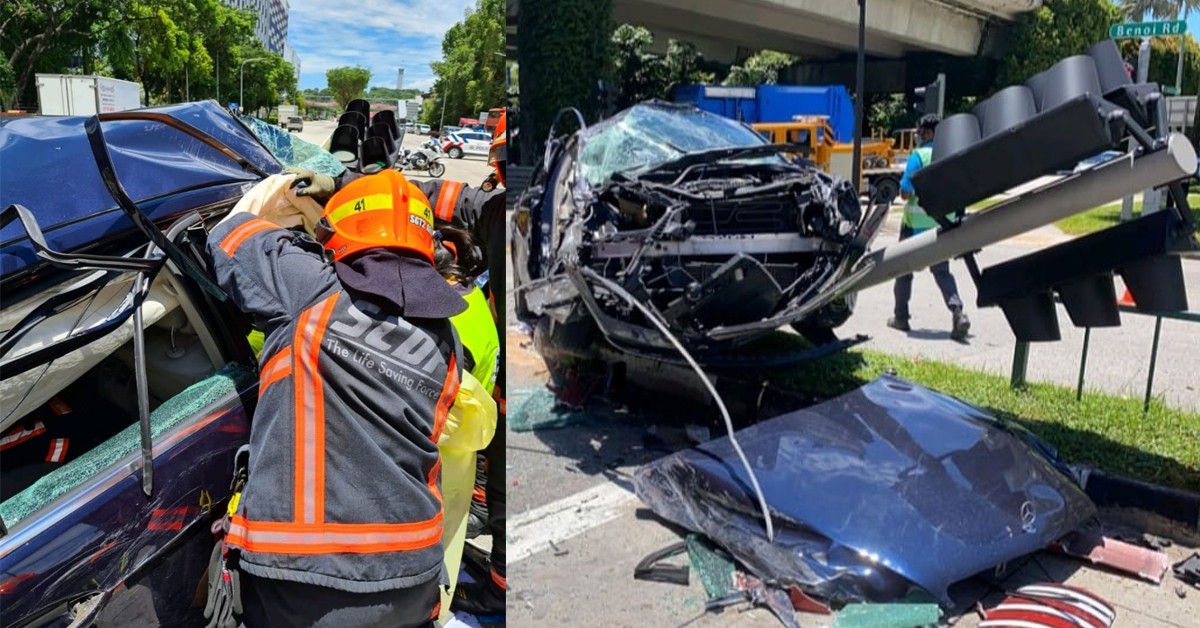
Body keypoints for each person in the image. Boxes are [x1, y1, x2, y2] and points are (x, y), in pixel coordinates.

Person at [206, 169, 466, 627]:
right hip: (416, 577)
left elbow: (229, 235)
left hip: (311, 581)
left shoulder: (309, 290)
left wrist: (280, 194)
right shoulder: (447, 341)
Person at [889, 114, 971, 341]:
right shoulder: (951, 154)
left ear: (930, 133)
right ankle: (958, 313)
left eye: (921, 132)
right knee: (942, 273)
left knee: (903, 271)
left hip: (914, 227)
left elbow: (905, 193)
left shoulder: (919, 156)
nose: (918, 136)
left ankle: (901, 317)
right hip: (942, 225)